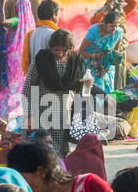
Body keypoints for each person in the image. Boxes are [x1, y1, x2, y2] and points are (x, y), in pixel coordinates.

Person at [22, 28, 89, 156]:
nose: (60, 53)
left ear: (70, 48)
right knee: (40, 150)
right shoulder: (42, 59)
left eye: (64, 50)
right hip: (40, 111)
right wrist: (29, 114)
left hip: (62, 113)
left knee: (60, 151)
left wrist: (86, 84)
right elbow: (27, 88)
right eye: (56, 50)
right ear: (51, 47)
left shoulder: (75, 60)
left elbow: (78, 88)